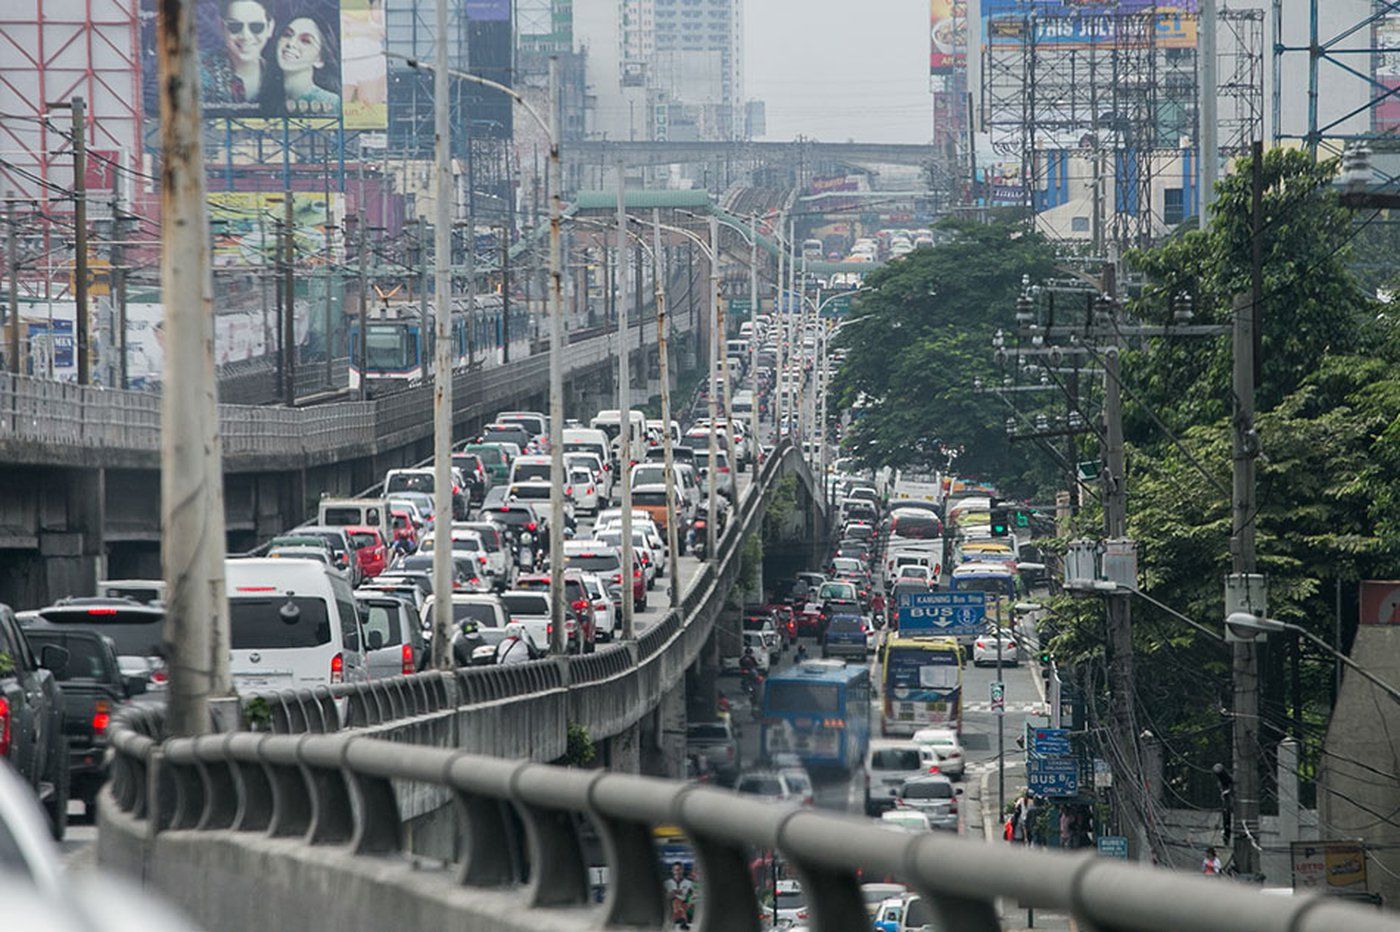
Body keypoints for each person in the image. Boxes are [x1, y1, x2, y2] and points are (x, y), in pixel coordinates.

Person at [203, 0, 275, 110]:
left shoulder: (280, 73)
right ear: (222, 27)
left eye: (256, 27)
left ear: (270, 28)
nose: (245, 36)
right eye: (235, 26)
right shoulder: (197, 71)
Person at [276, 16, 340, 115]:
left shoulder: (330, 102)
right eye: (287, 34)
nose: (291, 43)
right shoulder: (264, 98)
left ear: (320, 59)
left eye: (305, 40)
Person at [663, 862, 695, 929]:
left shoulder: (689, 883)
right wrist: (671, 894)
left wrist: (688, 901)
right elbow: (662, 898)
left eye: (679, 869)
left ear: (682, 870)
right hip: (671, 911)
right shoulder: (666, 883)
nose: (678, 872)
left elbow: (692, 897)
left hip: (685, 910)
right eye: (676, 870)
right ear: (672, 871)